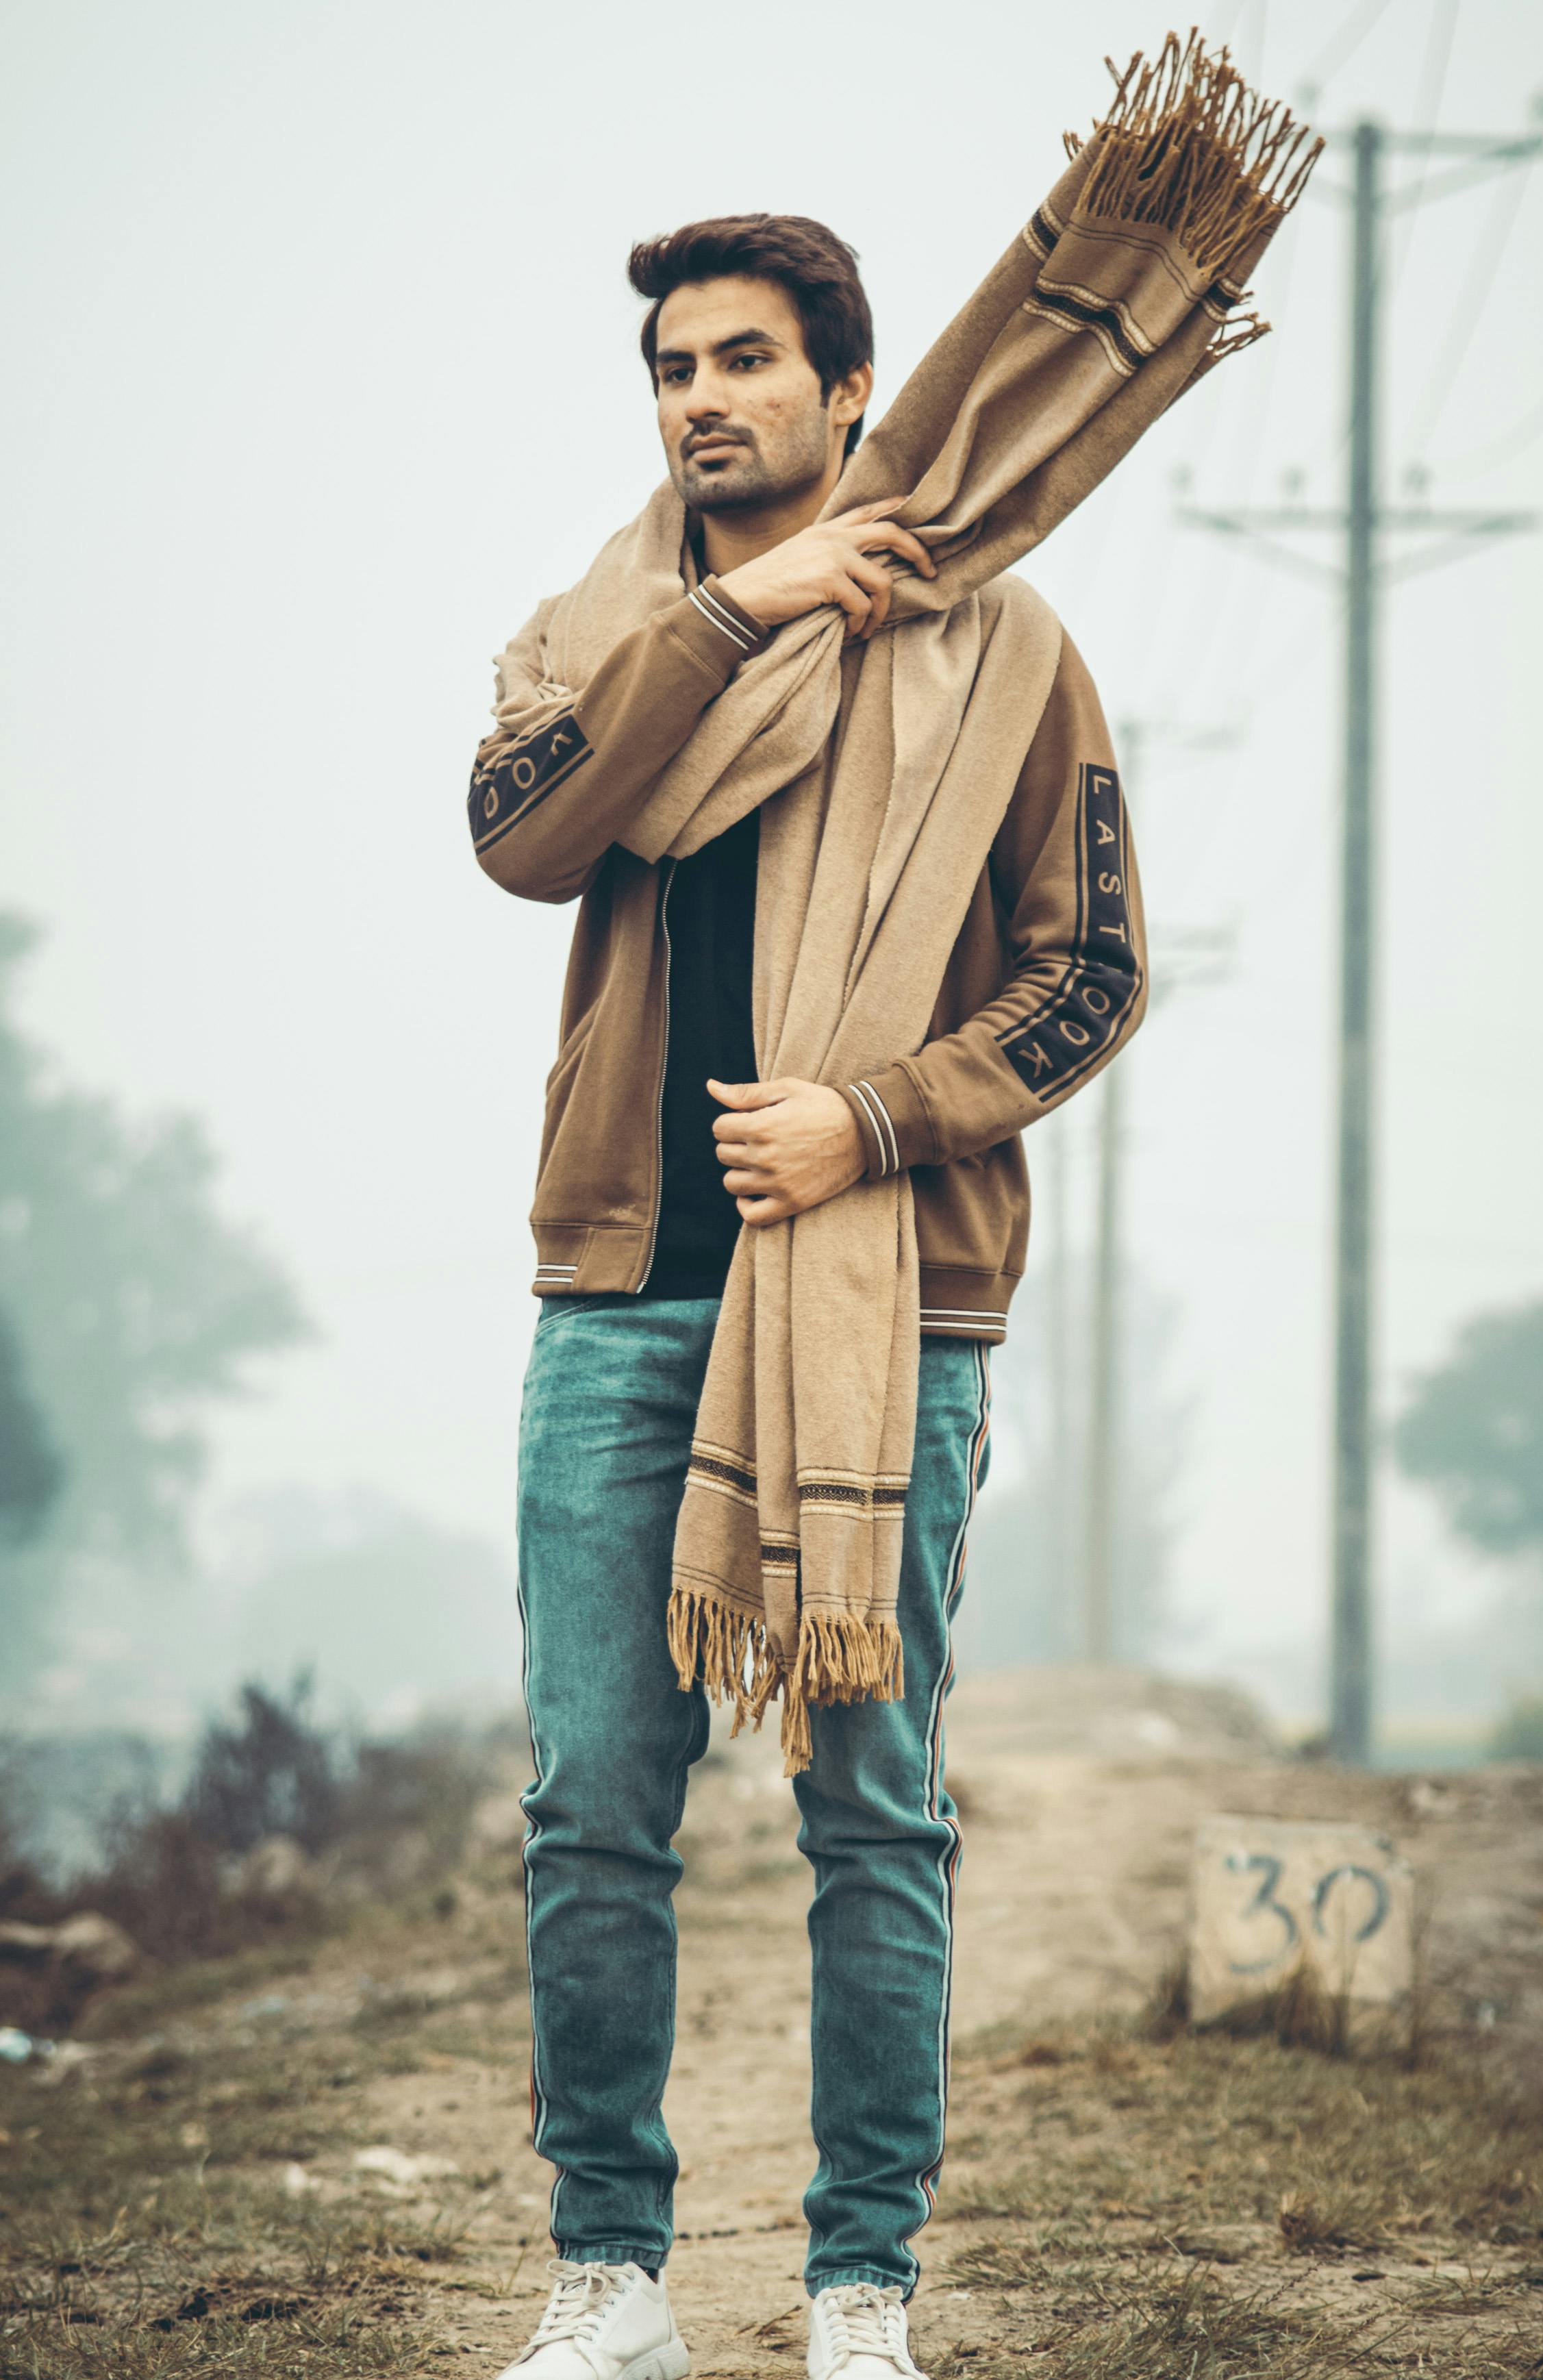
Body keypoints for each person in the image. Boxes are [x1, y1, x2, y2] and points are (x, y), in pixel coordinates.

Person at [468, 213, 1146, 2380]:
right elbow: (520, 835)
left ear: (855, 392)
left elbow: (1096, 974)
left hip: (891, 1309)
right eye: (675, 369)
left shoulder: (1007, 650)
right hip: (621, 1291)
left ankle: (863, 2288)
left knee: (873, 1801)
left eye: (749, 359)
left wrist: (873, 1120)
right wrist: (734, 607)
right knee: (592, 1797)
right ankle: (614, 2282)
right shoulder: (597, 639)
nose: (703, 399)